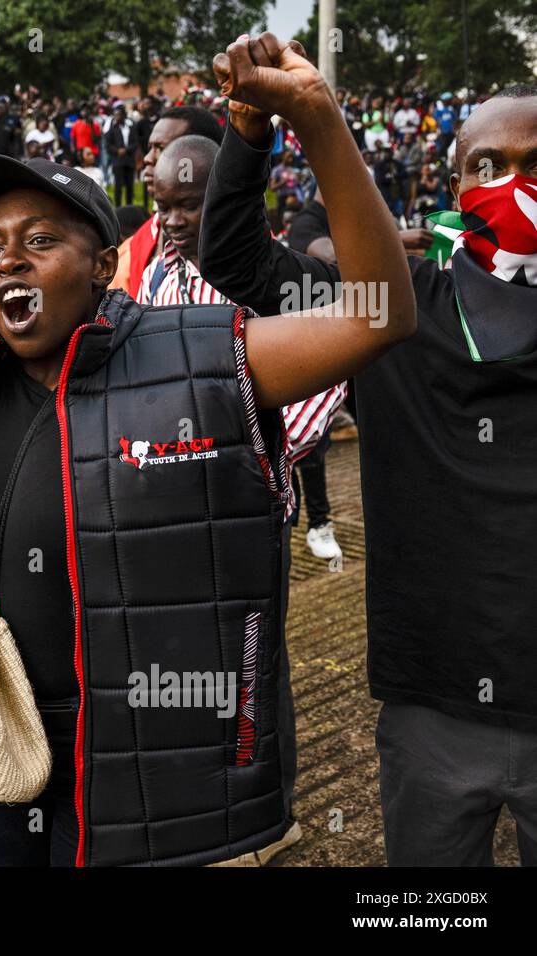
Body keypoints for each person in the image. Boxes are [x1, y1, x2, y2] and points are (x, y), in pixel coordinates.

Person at [0, 37, 414, 866]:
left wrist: (314, 117)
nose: (9, 262)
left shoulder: (203, 354)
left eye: (39, 240)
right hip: (0, 748)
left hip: (160, 777)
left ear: (104, 265)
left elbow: (378, 317)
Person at [201, 72, 537, 866]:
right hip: (432, 710)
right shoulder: (387, 315)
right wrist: (249, 132)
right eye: (488, 165)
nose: (514, 186)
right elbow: (239, 262)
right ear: (453, 182)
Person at [112, 106, 224, 298]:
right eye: (150, 148)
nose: (148, 159)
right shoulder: (133, 251)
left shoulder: (255, 258)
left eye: (161, 149)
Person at [104, 103, 138, 206]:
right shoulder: (112, 130)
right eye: (115, 115)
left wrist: (126, 150)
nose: (117, 117)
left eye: (119, 115)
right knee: (118, 186)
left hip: (129, 160)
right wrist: (117, 151)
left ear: (123, 115)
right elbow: (108, 144)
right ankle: (118, 208)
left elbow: (135, 142)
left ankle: (129, 205)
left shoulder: (130, 127)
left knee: (129, 186)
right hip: (118, 161)